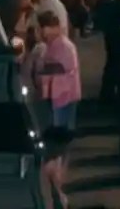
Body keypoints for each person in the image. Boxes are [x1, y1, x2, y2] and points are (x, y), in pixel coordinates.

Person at [34, 11, 80, 208]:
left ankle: (57, 188)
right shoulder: (51, 46)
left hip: (62, 100)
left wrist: (42, 72)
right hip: (56, 100)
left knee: (56, 147)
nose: (42, 32)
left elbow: (57, 71)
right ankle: (57, 190)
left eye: (45, 27)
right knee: (56, 148)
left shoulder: (63, 47)